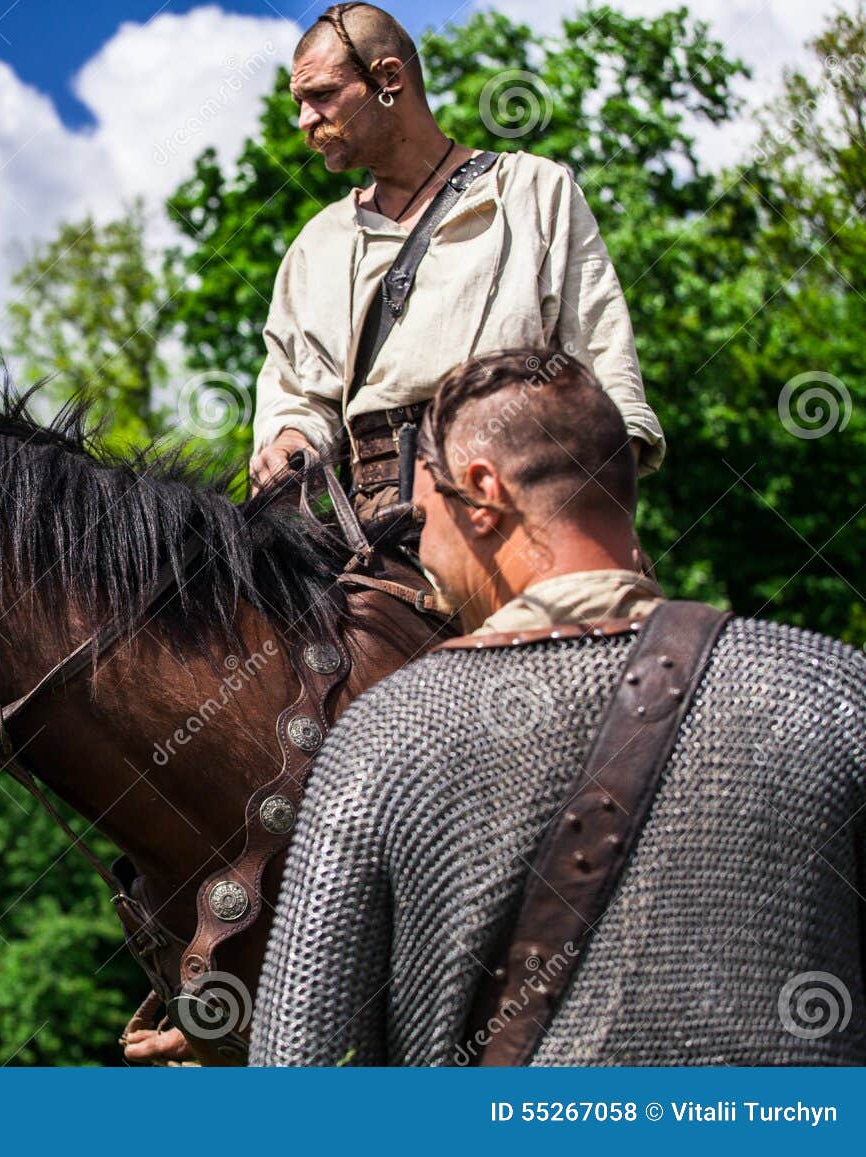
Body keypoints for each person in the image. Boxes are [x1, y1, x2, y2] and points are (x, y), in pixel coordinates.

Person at [249, 347, 866, 1065]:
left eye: (423, 513)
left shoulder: (389, 735)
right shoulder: (826, 693)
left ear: (483, 494)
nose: (421, 545)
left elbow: (295, 1079)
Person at [249, 3, 663, 519]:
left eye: (322, 96)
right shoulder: (318, 244)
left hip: (523, 502)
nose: (305, 120)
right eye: (300, 102)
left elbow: (603, 362)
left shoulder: (532, 191)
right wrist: (289, 442)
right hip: (376, 530)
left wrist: (601, 512)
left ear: (388, 79)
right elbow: (300, 395)